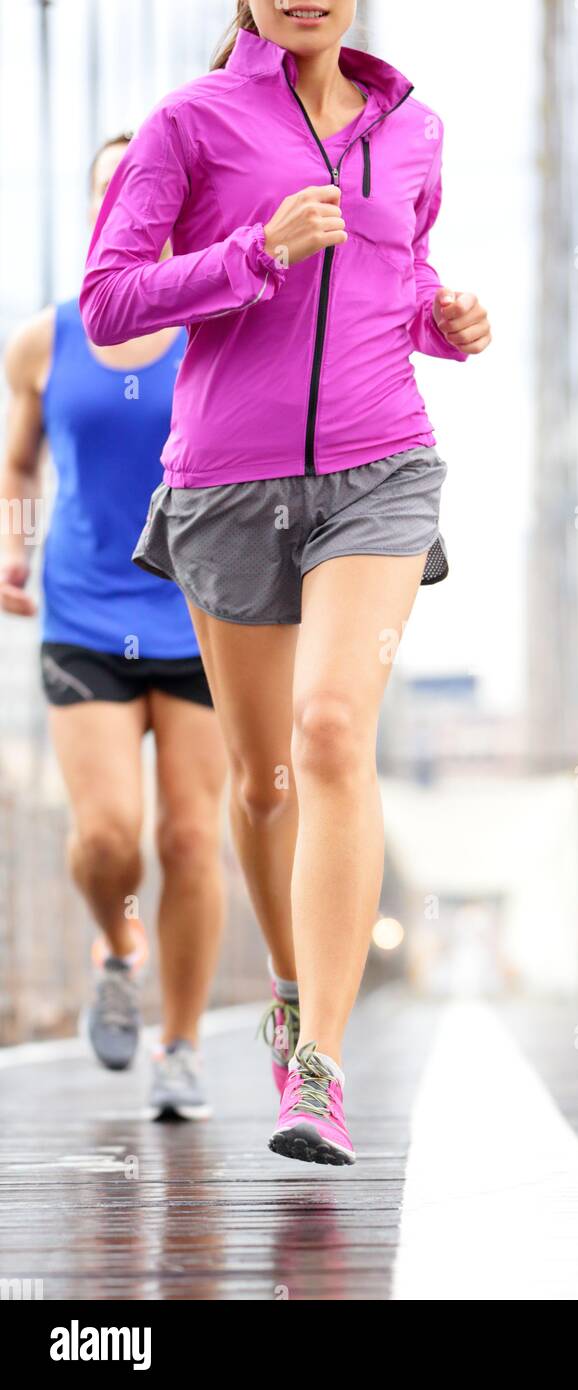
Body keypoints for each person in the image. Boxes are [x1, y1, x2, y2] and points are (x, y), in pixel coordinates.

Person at [80, 0, 492, 1165]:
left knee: (326, 733)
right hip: (227, 481)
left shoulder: (413, 133)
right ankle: (285, 990)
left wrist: (445, 322)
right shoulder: (190, 123)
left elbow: (394, 286)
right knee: (262, 788)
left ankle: (316, 1064)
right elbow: (110, 298)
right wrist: (252, 251)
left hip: (381, 470)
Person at [1, 134, 228, 1120]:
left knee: (188, 837)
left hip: (203, 611)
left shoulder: (221, 325)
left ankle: (179, 1045)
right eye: (114, 190)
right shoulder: (43, 340)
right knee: (106, 837)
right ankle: (119, 948)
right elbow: (20, 465)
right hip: (86, 611)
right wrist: (12, 542)